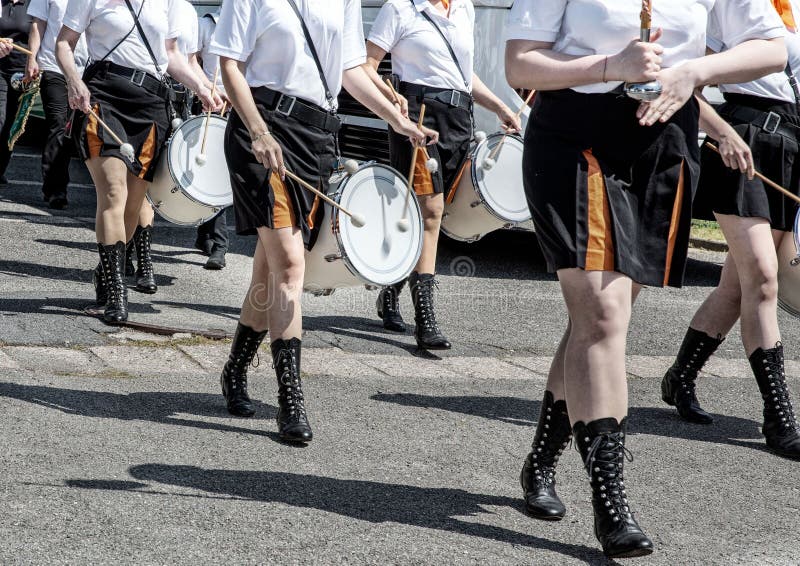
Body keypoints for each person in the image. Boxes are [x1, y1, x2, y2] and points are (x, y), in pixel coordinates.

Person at [505, 0, 787, 558]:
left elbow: (776, 46)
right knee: (603, 315)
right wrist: (610, 65)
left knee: (599, 318)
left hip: (663, 145)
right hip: (573, 138)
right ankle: (612, 505)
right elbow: (520, 65)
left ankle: (540, 460)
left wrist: (696, 74)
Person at [210, 0, 434, 442]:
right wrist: (257, 131)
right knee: (291, 265)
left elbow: (350, 69)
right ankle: (291, 401)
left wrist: (397, 120)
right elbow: (230, 65)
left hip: (316, 138)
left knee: (270, 267)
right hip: (263, 130)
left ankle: (234, 369)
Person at [661, 0, 800, 460]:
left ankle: (680, 375)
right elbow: (685, 63)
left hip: (793, 145)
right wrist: (717, 130)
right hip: (745, 136)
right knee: (762, 276)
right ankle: (779, 418)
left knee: (738, 286)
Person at [366, 0, 520, 350]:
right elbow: (368, 65)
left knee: (424, 216)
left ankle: (390, 293)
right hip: (418, 118)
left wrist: (499, 106)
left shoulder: (464, 7)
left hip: (459, 119)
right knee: (431, 212)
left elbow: (463, 75)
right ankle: (426, 320)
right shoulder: (399, 8)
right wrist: (393, 99)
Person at [56, 0, 221, 324]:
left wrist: (202, 87)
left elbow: (171, 55)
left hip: (151, 104)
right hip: (104, 95)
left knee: (134, 205)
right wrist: (74, 81)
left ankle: (105, 273)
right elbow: (64, 42)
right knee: (114, 194)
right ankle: (117, 293)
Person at [25, 0, 87, 209]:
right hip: (53, 66)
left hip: (87, 70)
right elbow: (38, 23)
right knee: (59, 125)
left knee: (77, 130)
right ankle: (55, 188)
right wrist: (31, 58)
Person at [192, 7, 229, 271]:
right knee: (206, 170)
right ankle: (207, 234)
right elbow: (190, 61)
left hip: (236, 106)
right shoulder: (206, 25)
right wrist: (206, 89)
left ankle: (219, 243)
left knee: (220, 173)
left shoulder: (253, 22)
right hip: (207, 103)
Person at [0, 0, 32, 185]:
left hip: (23, 72)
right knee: (0, 117)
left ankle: (1, 167)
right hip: (0, 67)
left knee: (12, 124)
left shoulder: (34, 5)